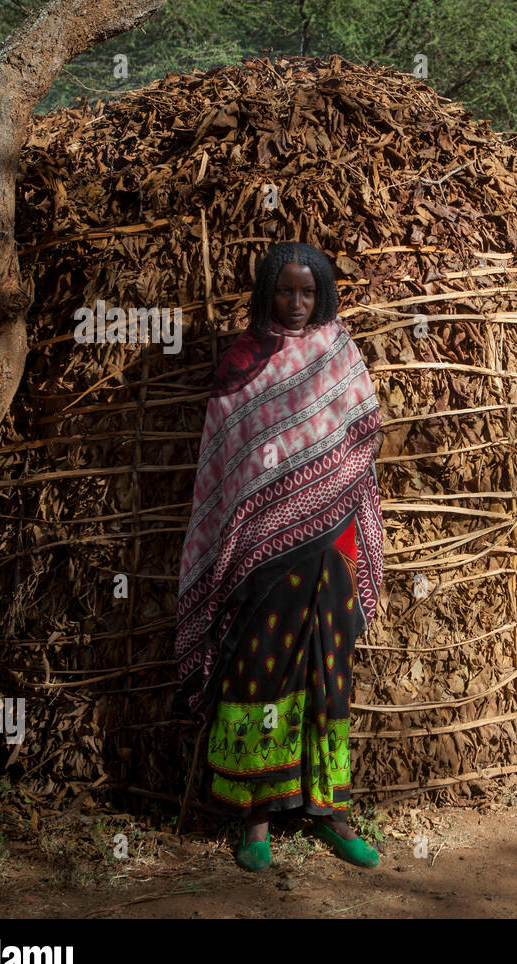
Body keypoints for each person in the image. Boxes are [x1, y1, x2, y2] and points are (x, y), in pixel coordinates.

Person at [175, 241, 385, 871]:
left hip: (331, 544)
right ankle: (255, 817)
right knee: (258, 670)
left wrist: (324, 487)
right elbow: (225, 461)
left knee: (329, 673)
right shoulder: (242, 359)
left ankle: (334, 812)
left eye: (308, 292)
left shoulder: (340, 353)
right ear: (267, 291)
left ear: (322, 294)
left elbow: (365, 436)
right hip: (262, 549)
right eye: (285, 291)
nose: (296, 304)